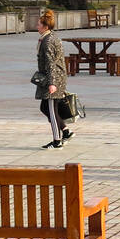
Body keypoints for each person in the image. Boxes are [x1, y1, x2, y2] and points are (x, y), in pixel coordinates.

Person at [35, 9, 71, 149]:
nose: (36, 26)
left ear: (45, 26)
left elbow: (50, 63)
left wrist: (52, 83)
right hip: (57, 77)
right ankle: (66, 131)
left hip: (54, 79)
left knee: (51, 108)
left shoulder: (47, 41)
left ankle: (57, 141)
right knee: (45, 107)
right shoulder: (50, 37)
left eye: (38, 24)